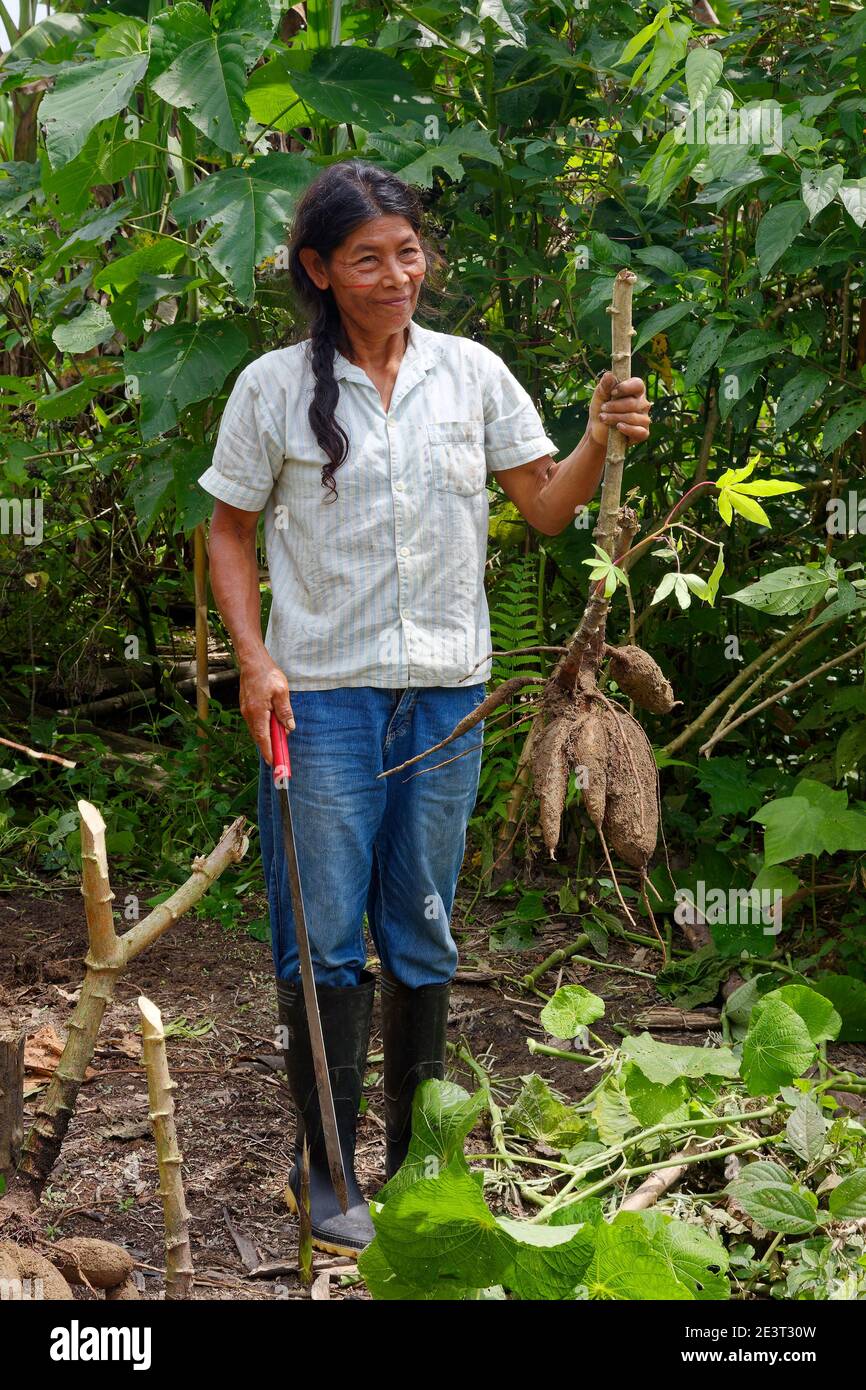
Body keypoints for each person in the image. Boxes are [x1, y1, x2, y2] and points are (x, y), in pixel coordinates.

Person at [198, 159, 651, 1256]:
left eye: (408, 252)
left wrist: (597, 436)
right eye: (368, 258)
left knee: (423, 922)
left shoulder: (472, 375)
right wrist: (253, 659)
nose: (397, 274)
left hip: (447, 691)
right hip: (322, 699)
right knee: (321, 932)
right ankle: (325, 1168)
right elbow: (227, 531)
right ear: (318, 269)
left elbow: (545, 508)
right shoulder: (270, 387)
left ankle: (415, 1163)